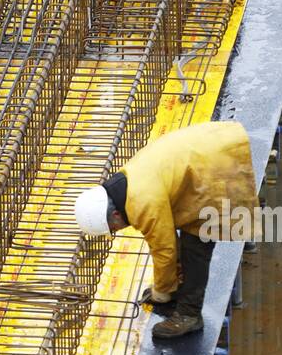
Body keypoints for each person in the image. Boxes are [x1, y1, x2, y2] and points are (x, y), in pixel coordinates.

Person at [73, 121, 257, 340]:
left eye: (113, 228)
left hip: (218, 165)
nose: (117, 230)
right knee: (189, 233)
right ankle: (178, 292)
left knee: (196, 244)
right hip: (212, 147)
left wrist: (162, 292)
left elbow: (165, 248)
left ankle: (189, 315)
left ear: (114, 215)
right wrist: (166, 285)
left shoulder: (141, 202)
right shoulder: (126, 182)